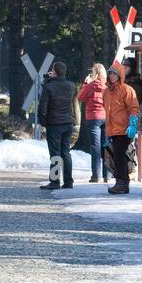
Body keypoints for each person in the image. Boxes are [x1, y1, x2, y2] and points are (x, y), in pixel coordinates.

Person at [38, 60, 77, 189]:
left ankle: (55, 182)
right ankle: (68, 181)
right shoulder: (71, 85)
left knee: (55, 153)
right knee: (66, 152)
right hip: (68, 122)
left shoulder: (49, 87)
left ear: (54, 72)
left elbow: (42, 107)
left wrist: (43, 122)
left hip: (54, 123)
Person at [104, 64, 141, 194]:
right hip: (113, 129)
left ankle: (122, 183)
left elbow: (134, 108)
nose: (111, 76)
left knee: (120, 155)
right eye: (110, 73)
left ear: (119, 75)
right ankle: (122, 182)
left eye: (114, 74)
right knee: (117, 156)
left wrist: (132, 125)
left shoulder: (127, 89)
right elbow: (107, 111)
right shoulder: (107, 91)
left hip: (124, 129)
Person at [77, 63, 108, 183]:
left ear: (94, 73)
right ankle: (107, 175)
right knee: (105, 145)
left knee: (95, 147)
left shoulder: (91, 85)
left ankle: (96, 175)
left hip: (94, 118)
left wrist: (86, 83)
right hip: (106, 117)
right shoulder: (108, 85)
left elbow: (80, 97)